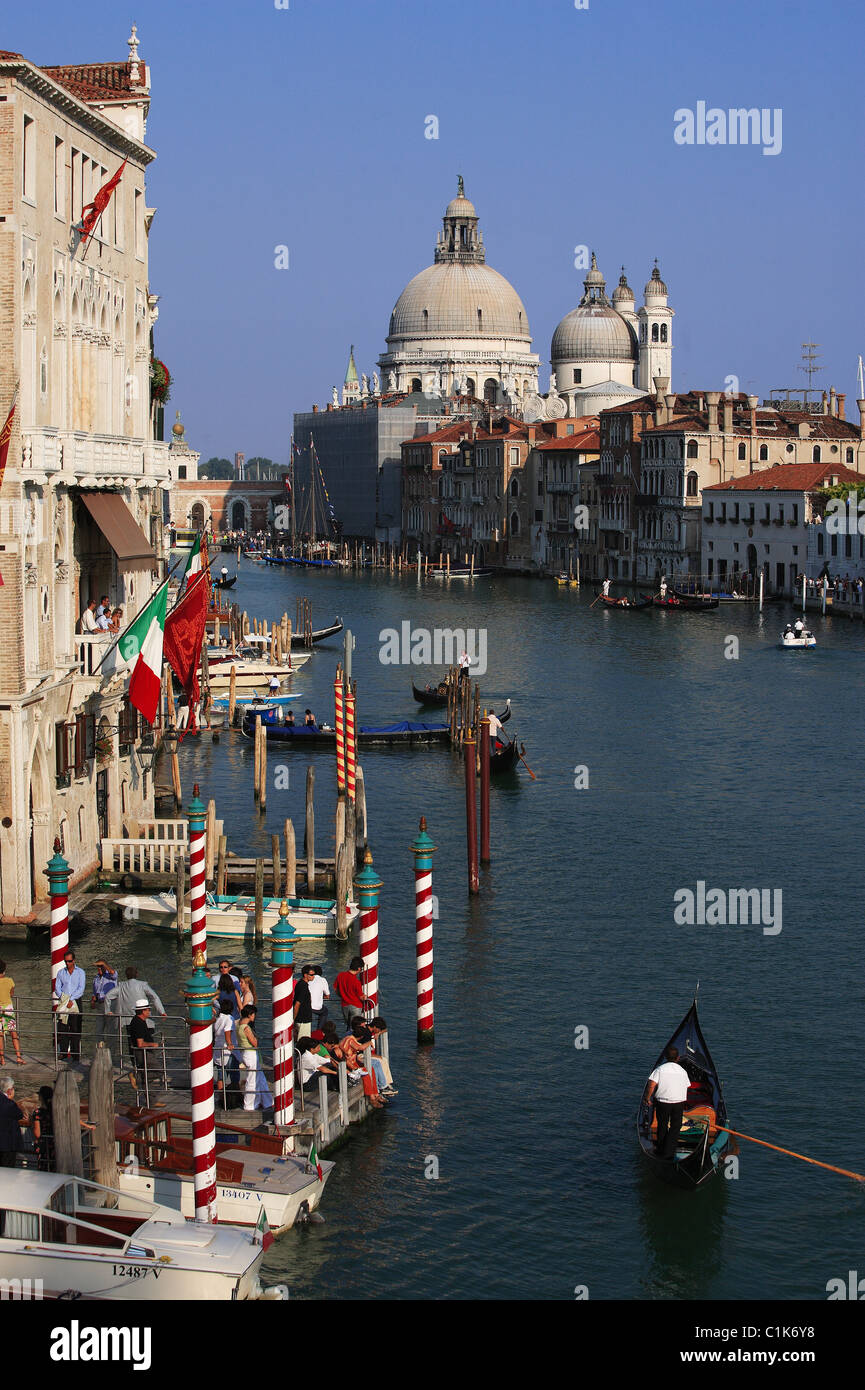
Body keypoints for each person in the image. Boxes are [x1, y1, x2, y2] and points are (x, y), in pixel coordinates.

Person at [643, 1044, 691, 1160]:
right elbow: (687, 1086)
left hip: (662, 1103)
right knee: (676, 1126)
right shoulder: (683, 1071)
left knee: (662, 1125)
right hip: (678, 1103)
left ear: (665, 1057)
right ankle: (669, 1152)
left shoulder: (660, 1069)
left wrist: (647, 1098)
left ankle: (661, 1149)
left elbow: (651, 1085)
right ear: (677, 1058)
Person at [236, 1005, 272, 1111]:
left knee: (260, 1078)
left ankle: (267, 1101)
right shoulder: (246, 1027)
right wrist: (256, 1038)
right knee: (252, 1080)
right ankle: (250, 1105)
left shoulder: (238, 1024)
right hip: (250, 1053)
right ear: (250, 1014)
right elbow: (254, 1043)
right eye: (253, 1014)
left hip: (245, 1052)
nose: (254, 1016)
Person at [54, 949, 85, 1061]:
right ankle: (63, 1052)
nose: (68, 963)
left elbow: (81, 989)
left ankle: (75, 1054)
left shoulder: (80, 972)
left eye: (70, 961)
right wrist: (64, 998)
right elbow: (57, 987)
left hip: (76, 1001)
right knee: (63, 1028)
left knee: (76, 1029)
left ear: (74, 960)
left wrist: (71, 999)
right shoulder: (61, 972)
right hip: (64, 1001)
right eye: (66, 961)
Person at [127, 1000, 159, 1090]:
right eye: (148, 1010)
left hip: (145, 1051)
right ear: (143, 1011)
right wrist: (152, 1044)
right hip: (143, 1052)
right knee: (158, 1071)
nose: (149, 1011)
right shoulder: (138, 1023)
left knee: (148, 1073)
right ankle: (136, 1076)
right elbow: (140, 1043)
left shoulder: (140, 1021)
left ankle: (151, 1100)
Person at [212, 999, 237, 1102]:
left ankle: (221, 1095)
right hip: (226, 1050)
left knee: (220, 1073)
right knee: (233, 1073)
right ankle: (233, 1094)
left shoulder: (217, 1018)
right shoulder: (229, 1018)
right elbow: (227, 1033)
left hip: (217, 1047)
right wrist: (230, 1044)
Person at [333, 956, 368, 1030]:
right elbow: (361, 997)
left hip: (344, 1005)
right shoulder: (356, 982)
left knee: (348, 1026)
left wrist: (342, 995)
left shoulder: (341, 975)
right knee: (356, 1028)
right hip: (356, 1005)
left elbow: (335, 988)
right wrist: (365, 997)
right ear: (359, 968)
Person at [90, 959, 118, 1046]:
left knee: (111, 1030)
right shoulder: (96, 979)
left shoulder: (111, 976)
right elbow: (95, 992)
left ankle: (111, 1054)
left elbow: (113, 973)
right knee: (99, 1030)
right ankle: (100, 1051)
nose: (99, 968)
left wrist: (104, 964)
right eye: (98, 966)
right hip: (100, 1005)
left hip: (110, 1004)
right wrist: (93, 1000)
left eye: (101, 966)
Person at [0, 960, 22, 1066]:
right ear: (4, 970)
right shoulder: (9, 981)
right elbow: (11, 994)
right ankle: (18, 1057)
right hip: (8, 1009)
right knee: (13, 1033)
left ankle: (2, 1059)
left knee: (0, 1035)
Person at [368, 1017, 397, 1094]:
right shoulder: (366, 1033)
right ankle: (383, 1086)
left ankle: (387, 1083)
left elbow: (385, 1029)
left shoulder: (374, 1030)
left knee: (384, 1060)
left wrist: (379, 1033)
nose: (380, 1031)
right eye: (379, 1029)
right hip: (364, 1055)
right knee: (380, 1061)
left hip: (370, 1054)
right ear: (375, 1027)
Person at [0, 1077, 25, 1167]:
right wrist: (10, 1099)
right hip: (7, 1145)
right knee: (7, 1171)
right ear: (9, 1090)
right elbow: (19, 1115)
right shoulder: (8, 1103)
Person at [293, 964, 316, 1041]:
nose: (313, 976)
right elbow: (297, 1004)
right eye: (311, 975)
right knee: (304, 1041)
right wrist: (293, 1019)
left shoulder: (301, 984)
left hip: (302, 1018)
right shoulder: (303, 986)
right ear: (305, 975)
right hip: (303, 1019)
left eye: (314, 974)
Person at [308, 966, 330, 1031]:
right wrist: (320, 996)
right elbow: (327, 996)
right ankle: (319, 1031)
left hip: (306, 1006)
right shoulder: (323, 980)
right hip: (316, 1007)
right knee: (325, 1012)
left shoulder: (308, 979)